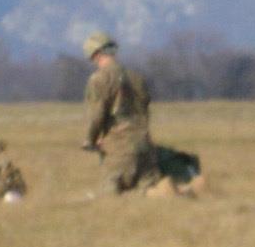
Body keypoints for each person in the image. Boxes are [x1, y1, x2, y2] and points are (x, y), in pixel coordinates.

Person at [78, 34, 194, 195]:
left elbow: (97, 115)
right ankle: (186, 193)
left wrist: (90, 140)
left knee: (109, 198)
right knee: (148, 192)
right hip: (145, 147)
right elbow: (144, 110)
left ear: (95, 54)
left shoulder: (99, 79)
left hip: (119, 149)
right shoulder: (136, 77)